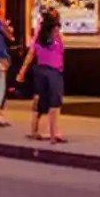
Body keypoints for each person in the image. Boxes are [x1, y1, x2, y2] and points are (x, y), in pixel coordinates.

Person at [17, 8, 65, 144]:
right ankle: (53, 134)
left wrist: (22, 71)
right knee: (54, 103)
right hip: (54, 71)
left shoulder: (38, 36)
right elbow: (62, 50)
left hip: (40, 70)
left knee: (40, 100)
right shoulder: (57, 35)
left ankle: (34, 130)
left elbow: (31, 54)